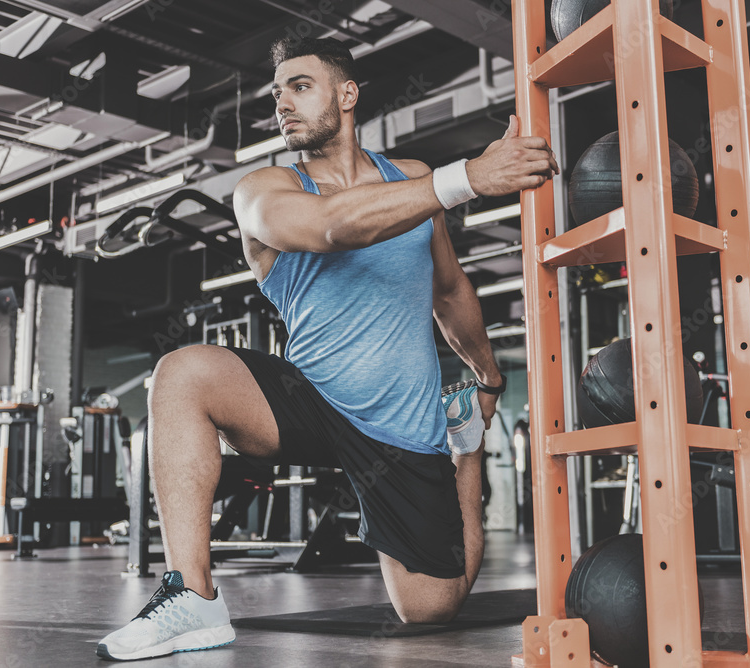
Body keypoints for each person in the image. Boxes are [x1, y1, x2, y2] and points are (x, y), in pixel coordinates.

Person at [97, 36, 558, 661]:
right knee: (181, 372)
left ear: (347, 94)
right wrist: (469, 177)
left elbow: (449, 292)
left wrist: (488, 380)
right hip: (310, 399)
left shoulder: (413, 180)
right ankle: (194, 597)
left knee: (430, 609)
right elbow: (331, 228)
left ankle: (465, 451)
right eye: (276, 91)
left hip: (403, 423)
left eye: (300, 85)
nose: (282, 101)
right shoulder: (261, 190)